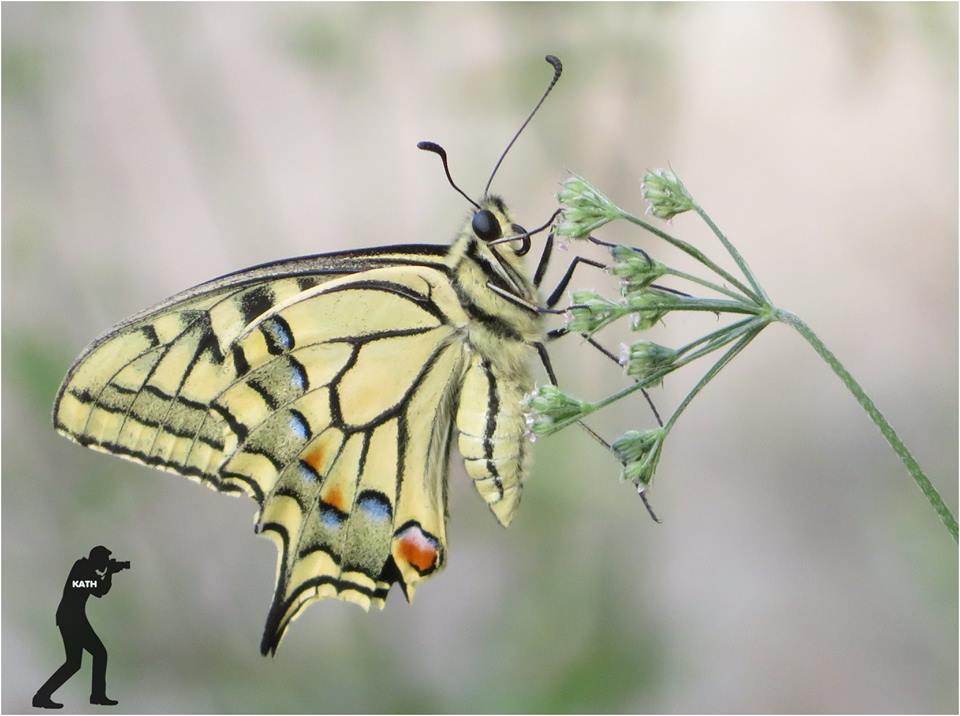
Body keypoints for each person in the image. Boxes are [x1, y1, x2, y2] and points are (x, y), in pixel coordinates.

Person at [33, 546, 128, 709]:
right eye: (104, 560)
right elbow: (100, 591)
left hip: (72, 618)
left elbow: (99, 588)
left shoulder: (85, 568)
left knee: (74, 663)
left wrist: (109, 573)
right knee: (98, 653)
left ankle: (42, 696)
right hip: (72, 619)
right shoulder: (82, 568)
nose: (106, 563)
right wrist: (109, 573)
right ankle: (96, 695)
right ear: (97, 559)